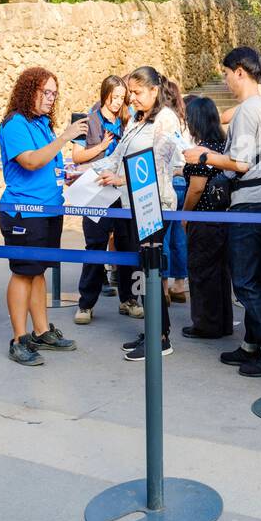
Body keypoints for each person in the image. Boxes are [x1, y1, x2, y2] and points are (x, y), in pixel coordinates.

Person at [183, 47, 261, 377]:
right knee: (252, 277)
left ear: (240, 71)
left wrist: (202, 156)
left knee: (244, 282)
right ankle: (252, 344)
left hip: (249, 201)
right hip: (260, 198)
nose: (226, 80)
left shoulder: (247, 111)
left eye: (227, 74)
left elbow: (240, 163)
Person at [0, 68, 81, 366]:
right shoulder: (15, 124)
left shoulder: (42, 124)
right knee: (23, 272)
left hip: (48, 210)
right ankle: (19, 339)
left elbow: (45, 163)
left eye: (54, 93)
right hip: (23, 212)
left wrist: (64, 174)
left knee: (38, 270)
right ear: (29, 90)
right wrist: (66, 137)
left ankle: (42, 331)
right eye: (45, 92)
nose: (50, 98)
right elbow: (30, 161)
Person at [98, 66, 184, 361]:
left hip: (154, 203)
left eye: (136, 92)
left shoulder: (166, 119)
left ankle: (160, 338)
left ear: (153, 90)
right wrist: (87, 172)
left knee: (149, 268)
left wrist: (121, 179)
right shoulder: (138, 119)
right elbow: (118, 156)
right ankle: (154, 329)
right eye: (129, 92)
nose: (130, 98)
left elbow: (160, 164)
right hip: (134, 203)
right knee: (143, 268)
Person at [74, 76, 133, 325]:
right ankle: (86, 304)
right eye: (114, 96)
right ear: (105, 93)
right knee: (95, 245)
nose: (118, 102)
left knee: (127, 244)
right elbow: (77, 156)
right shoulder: (88, 120)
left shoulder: (128, 119)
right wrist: (102, 146)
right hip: (97, 190)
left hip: (122, 190)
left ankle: (129, 299)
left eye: (122, 97)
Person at [180, 96, 233, 339]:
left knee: (201, 271)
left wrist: (184, 214)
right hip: (223, 216)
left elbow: (196, 187)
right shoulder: (223, 146)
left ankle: (205, 324)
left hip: (203, 217)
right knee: (220, 273)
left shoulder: (202, 151)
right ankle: (222, 321)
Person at [160, 78, 190, 304]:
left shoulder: (162, 121)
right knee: (179, 236)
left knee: (164, 237)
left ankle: (163, 286)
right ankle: (180, 284)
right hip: (183, 181)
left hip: (168, 180)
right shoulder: (183, 120)